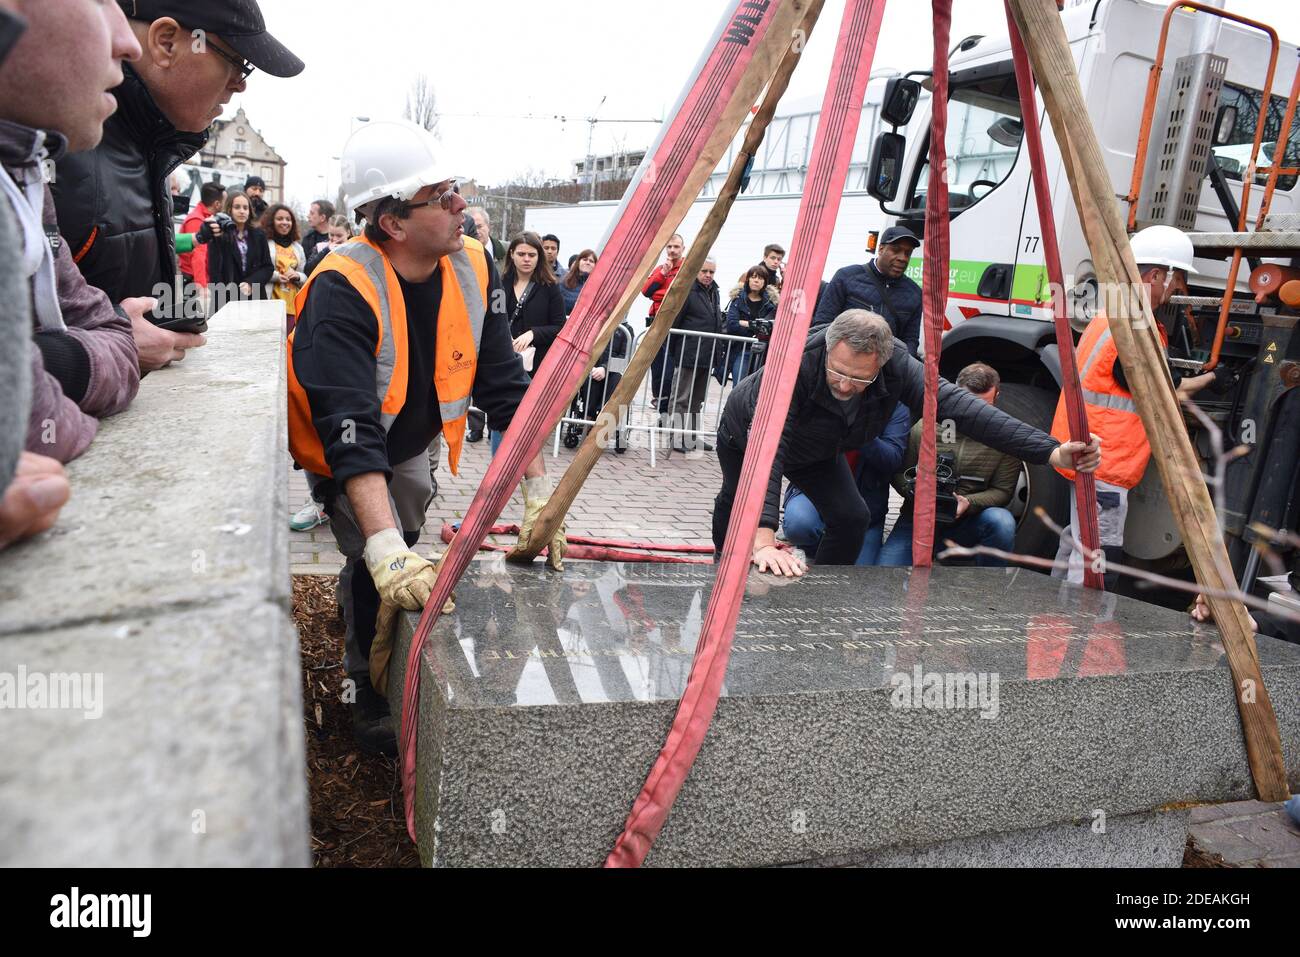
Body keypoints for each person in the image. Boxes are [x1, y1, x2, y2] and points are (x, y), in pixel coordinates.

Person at [287, 120, 564, 754]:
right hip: (346, 448)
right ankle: (369, 689)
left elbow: (501, 384)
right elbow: (350, 432)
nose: (461, 204)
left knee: (406, 527)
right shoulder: (340, 289)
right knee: (375, 553)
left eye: (455, 189)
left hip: (408, 441)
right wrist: (383, 546)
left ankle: (370, 599)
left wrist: (538, 494)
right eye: (442, 197)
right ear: (393, 223)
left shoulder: (470, 263)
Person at [713, 310, 1101, 576]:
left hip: (820, 446)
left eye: (860, 380)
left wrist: (1049, 450)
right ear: (828, 348)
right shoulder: (795, 364)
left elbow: (964, 409)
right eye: (838, 373)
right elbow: (767, 451)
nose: (846, 386)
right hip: (749, 437)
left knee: (852, 517)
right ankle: (721, 566)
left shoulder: (900, 365)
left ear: (882, 363)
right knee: (736, 502)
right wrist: (763, 540)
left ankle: (824, 591)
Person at [53, 0, 303, 372]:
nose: (241, 84)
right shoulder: (56, 146)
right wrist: (113, 345)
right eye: (236, 60)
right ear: (166, 43)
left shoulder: (147, 145)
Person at [0, 0, 145, 466]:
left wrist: (48, 358)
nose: (128, 42)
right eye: (102, 1)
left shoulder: (25, 168)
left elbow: (117, 336)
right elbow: (38, 427)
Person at [1051, 224, 1234, 584]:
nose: (1177, 287)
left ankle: (1053, 628)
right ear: (1155, 275)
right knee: (1098, 559)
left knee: (1077, 543)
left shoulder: (1113, 314)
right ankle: (1083, 632)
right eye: (1175, 277)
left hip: (1087, 448)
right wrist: (1214, 379)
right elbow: (1164, 389)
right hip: (1105, 457)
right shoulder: (1134, 325)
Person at [879, 363, 1023, 568]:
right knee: (884, 576)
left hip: (968, 522)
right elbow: (899, 472)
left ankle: (991, 586)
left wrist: (967, 502)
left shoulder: (1005, 438)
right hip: (917, 519)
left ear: (997, 396)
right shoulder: (925, 426)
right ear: (954, 392)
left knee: (1001, 521)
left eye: (982, 405)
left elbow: (1002, 491)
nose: (974, 412)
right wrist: (916, 490)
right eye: (967, 403)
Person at [782, 403, 912, 566]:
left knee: (861, 573)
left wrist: (859, 432)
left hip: (866, 505)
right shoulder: (825, 394)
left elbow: (892, 460)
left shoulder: (896, 408)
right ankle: (812, 545)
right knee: (800, 525)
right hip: (816, 490)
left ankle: (829, 540)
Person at [812, 225, 923, 356]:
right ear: (881, 249)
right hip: (841, 362)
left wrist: (900, 370)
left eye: (907, 253)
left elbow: (910, 340)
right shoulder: (846, 277)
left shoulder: (914, 293)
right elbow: (822, 323)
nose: (903, 258)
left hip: (884, 371)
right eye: (896, 250)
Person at [670, 260, 723, 453]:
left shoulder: (714, 292)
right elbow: (675, 321)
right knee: (681, 398)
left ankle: (691, 437)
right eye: (705, 271)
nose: (708, 275)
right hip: (688, 351)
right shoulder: (688, 291)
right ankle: (676, 437)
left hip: (706, 354)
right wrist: (676, 350)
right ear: (697, 270)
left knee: (696, 399)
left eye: (712, 272)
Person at [505, 231, 566, 378]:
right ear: (512, 254)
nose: (526, 259)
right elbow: (494, 317)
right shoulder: (500, 283)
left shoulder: (550, 286)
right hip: (505, 360)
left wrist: (533, 333)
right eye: (521, 254)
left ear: (539, 257)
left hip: (537, 364)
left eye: (532, 255)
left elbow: (559, 325)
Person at [203, 190, 273, 304]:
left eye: (245, 208)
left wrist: (251, 283)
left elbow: (268, 267)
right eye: (237, 207)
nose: (242, 211)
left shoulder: (259, 235)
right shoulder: (219, 234)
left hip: (255, 297)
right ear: (229, 209)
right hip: (227, 298)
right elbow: (214, 271)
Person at [642, 234, 685, 412]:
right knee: (656, 365)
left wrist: (657, 294)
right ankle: (658, 399)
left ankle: (667, 402)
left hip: (673, 323)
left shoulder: (686, 268)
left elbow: (675, 294)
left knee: (669, 367)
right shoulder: (661, 268)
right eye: (669, 247)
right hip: (655, 322)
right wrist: (662, 274)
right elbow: (646, 291)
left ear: (683, 248)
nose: (672, 250)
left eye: (676, 247)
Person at [724, 264, 778, 385]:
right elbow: (732, 324)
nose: (756, 280)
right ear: (748, 279)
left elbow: (767, 327)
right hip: (741, 349)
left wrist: (744, 323)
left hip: (762, 352)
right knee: (739, 386)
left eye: (760, 278)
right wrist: (754, 326)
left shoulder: (771, 303)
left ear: (765, 282)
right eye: (753, 277)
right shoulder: (737, 299)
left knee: (756, 387)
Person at [263, 203, 307, 329]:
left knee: (288, 344)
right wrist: (276, 276)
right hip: (271, 302)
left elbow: (305, 275)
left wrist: (297, 276)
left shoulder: (298, 247)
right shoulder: (265, 243)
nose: (285, 222)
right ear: (272, 222)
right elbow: (259, 270)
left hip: (292, 305)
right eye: (280, 218)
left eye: (288, 219)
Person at [177, 181, 224, 291]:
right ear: (217, 204)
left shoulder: (202, 218)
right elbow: (198, 256)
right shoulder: (197, 220)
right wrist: (202, 287)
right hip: (191, 282)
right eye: (224, 202)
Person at [560, 248, 597, 314]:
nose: (588, 262)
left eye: (591, 261)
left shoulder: (598, 287)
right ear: (578, 262)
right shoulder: (564, 282)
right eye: (585, 259)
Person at [301, 198, 335, 263]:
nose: (308, 216)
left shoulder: (338, 238)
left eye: (312, 213)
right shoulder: (308, 239)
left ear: (322, 218)